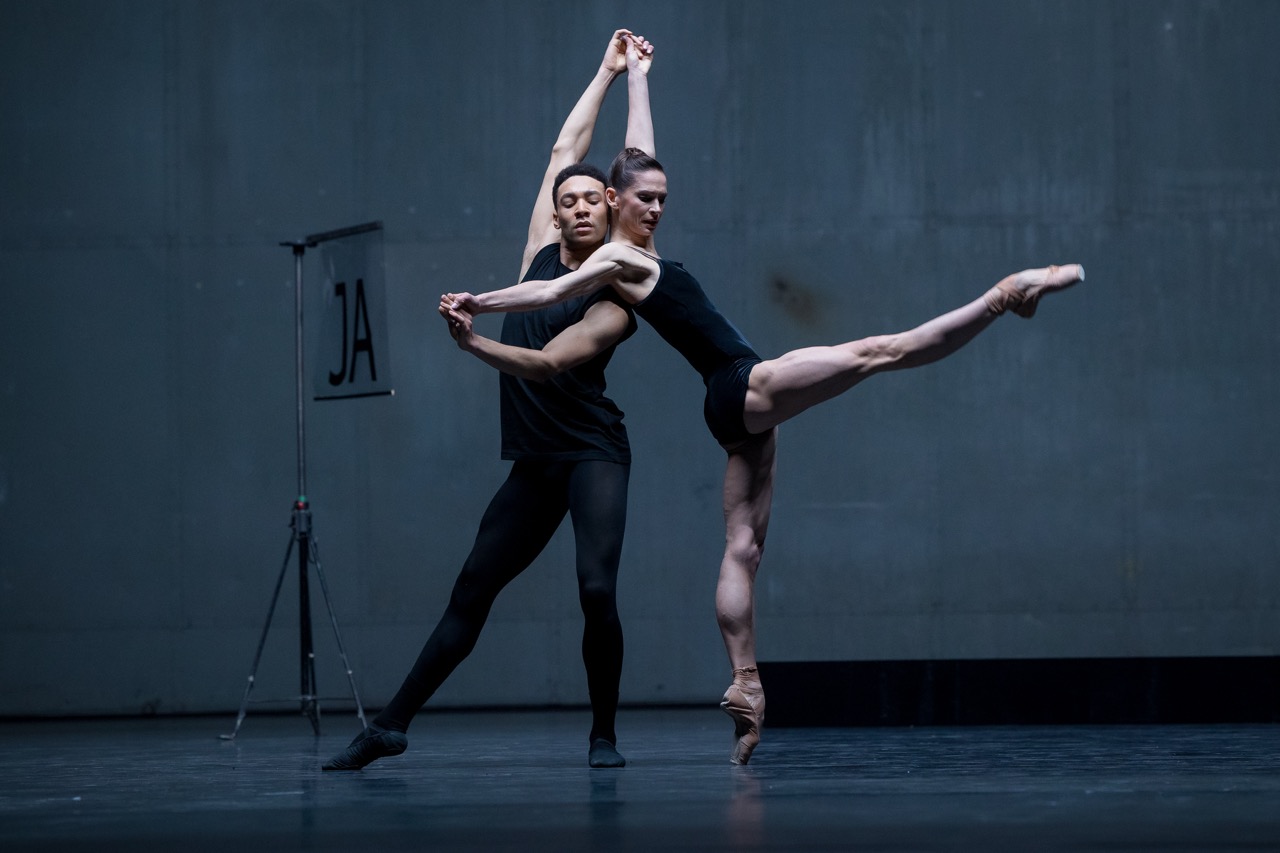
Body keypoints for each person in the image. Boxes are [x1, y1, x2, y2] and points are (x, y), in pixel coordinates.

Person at [441, 147, 1084, 765]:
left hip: (731, 407)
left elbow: (638, 153)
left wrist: (636, 76)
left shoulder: (639, 252)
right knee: (881, 351)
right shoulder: (617, 257)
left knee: (743, 547)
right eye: (645, 199)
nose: (658, 208)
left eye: (664, 199)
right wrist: (482, 301)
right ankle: (1006, 295)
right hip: (739, 382)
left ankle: (746, 684)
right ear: (616, 202)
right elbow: (550, 294)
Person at [323, 29, 655, 772]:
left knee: (596, 587)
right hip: (535, 463)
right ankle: (390, 725)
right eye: (563, 200)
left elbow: (542, 364)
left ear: (608, 211)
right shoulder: (537, 252)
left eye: (586, 201)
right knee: (472, 587)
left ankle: (603, 734)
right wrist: (604, 71)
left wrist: (473, 344)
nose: (572, 209)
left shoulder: (615, 292)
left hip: (592, 452)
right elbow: (563, 144)